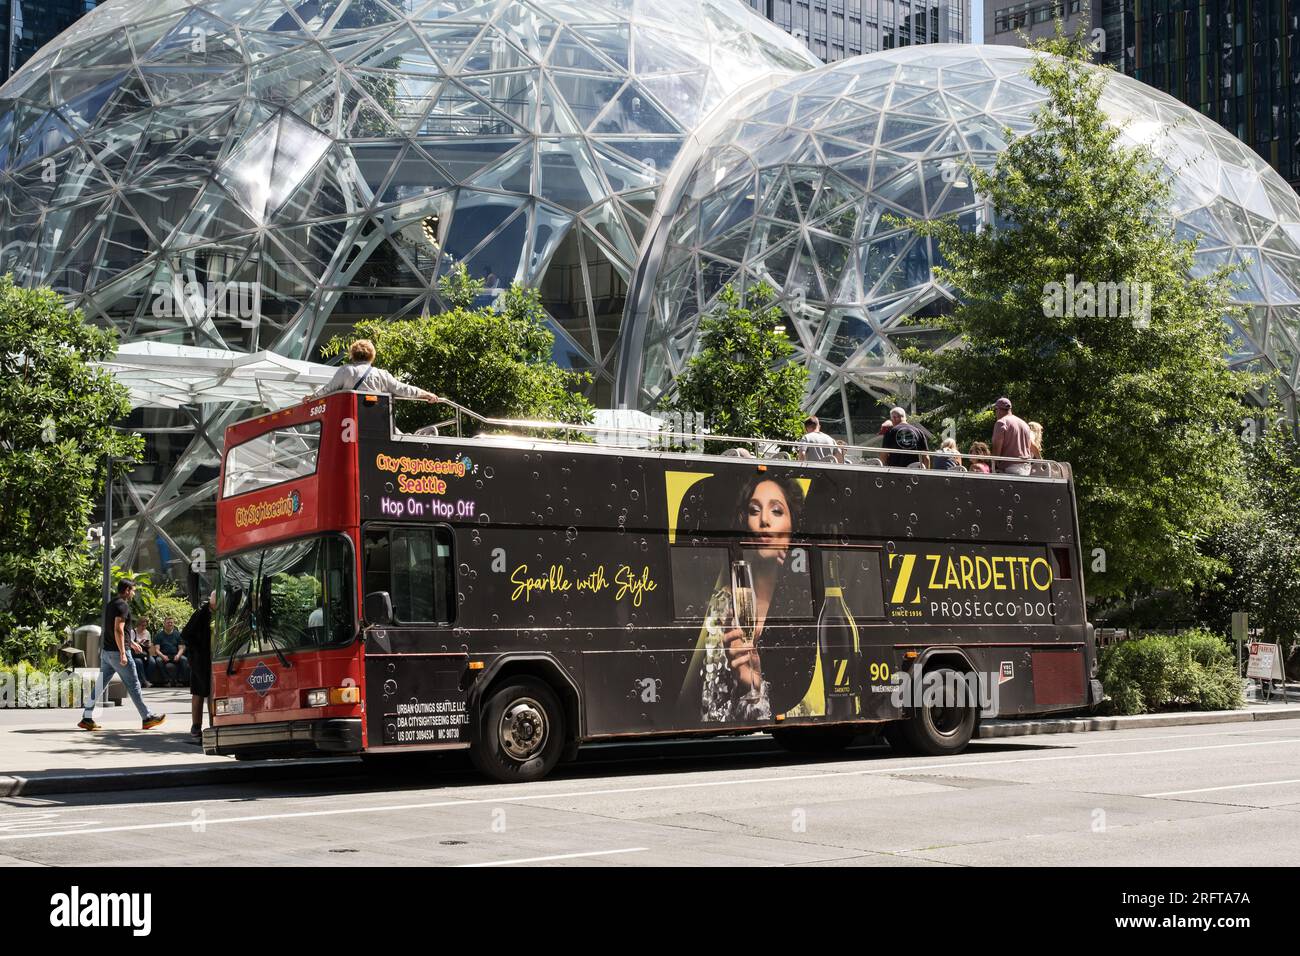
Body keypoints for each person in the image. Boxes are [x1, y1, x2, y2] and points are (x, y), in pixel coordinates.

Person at [693, 474, 814, 723]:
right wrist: (746, 685)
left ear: (792, 527)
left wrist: (756, 687)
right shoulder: (723, 603)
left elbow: (805, 705)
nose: (764, 521)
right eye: (754, 510)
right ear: (743, 522)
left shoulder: (804, 600)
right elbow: (709, 712)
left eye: (777, 511)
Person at [78, 580, 165, 731]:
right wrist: (123, 653)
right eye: (132, 590)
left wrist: (131, 642)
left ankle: (86, 717)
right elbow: (118, 629)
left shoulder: (112, 604)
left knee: (100, 685)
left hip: (107, 653)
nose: (133, 593)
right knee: (134, 685)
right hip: (118, 653)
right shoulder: (122, 606)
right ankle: (147, 718)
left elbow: (117, 630)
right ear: (126, 590)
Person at [312, 339, 440, 403]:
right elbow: (402, 389)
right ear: (372, 356)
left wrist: (312, 397)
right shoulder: (381, 374)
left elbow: (328, 390)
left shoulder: (346, 370)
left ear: (352, 355)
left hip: (350, 420)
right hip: (376, 420)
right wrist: (426, 394)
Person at [184, 591, 216, 742]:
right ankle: (196, 725)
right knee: (199, 692)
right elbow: (186, 634)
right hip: (200, 659)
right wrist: (198, 651)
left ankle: (213, 723)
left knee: (212, 692)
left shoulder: (219, 614)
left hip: (213, 658)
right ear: (212, 602)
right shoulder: (201, 614)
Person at [990, 397, 1034, 475]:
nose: (995, 413)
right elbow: (1029, 446)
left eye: (995, 410)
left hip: (1009, 468)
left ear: (998, 409)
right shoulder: (1024, 424)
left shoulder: (1001, 422)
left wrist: (994, 465)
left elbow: (997, 447)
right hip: (1026, 468)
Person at [154, 614, 189, 687]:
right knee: (158, 660)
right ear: (164, 624)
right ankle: (167, 680)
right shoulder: (159, 635)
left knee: (184, 659)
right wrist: (163, 656)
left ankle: (180, 680)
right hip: (164, 655)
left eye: (171, 622)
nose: (170, 624)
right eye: (168, 622)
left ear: (173, 624)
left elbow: (181, 648)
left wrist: (178, 655)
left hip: (175, 655)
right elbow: (157, 650)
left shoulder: (178, 635)